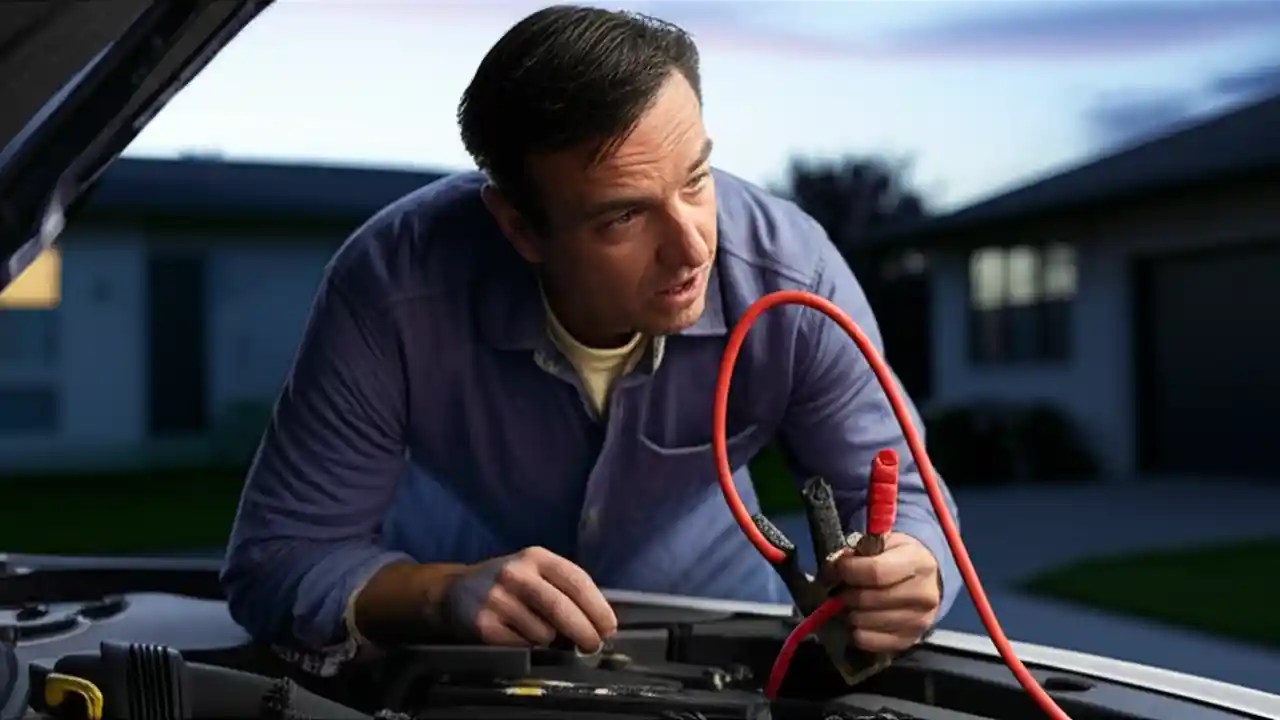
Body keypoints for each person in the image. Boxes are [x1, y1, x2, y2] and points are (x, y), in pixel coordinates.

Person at [221, 4, 961, 675]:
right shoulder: (391, 286)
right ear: (520, 227)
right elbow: (277, 561)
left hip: (715, 626)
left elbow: (906, 499)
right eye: (624, 217)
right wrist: (440, 594)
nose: (693, 248)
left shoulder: (796, 275)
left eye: (696, 179)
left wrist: (910, 570)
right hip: (462, 648)